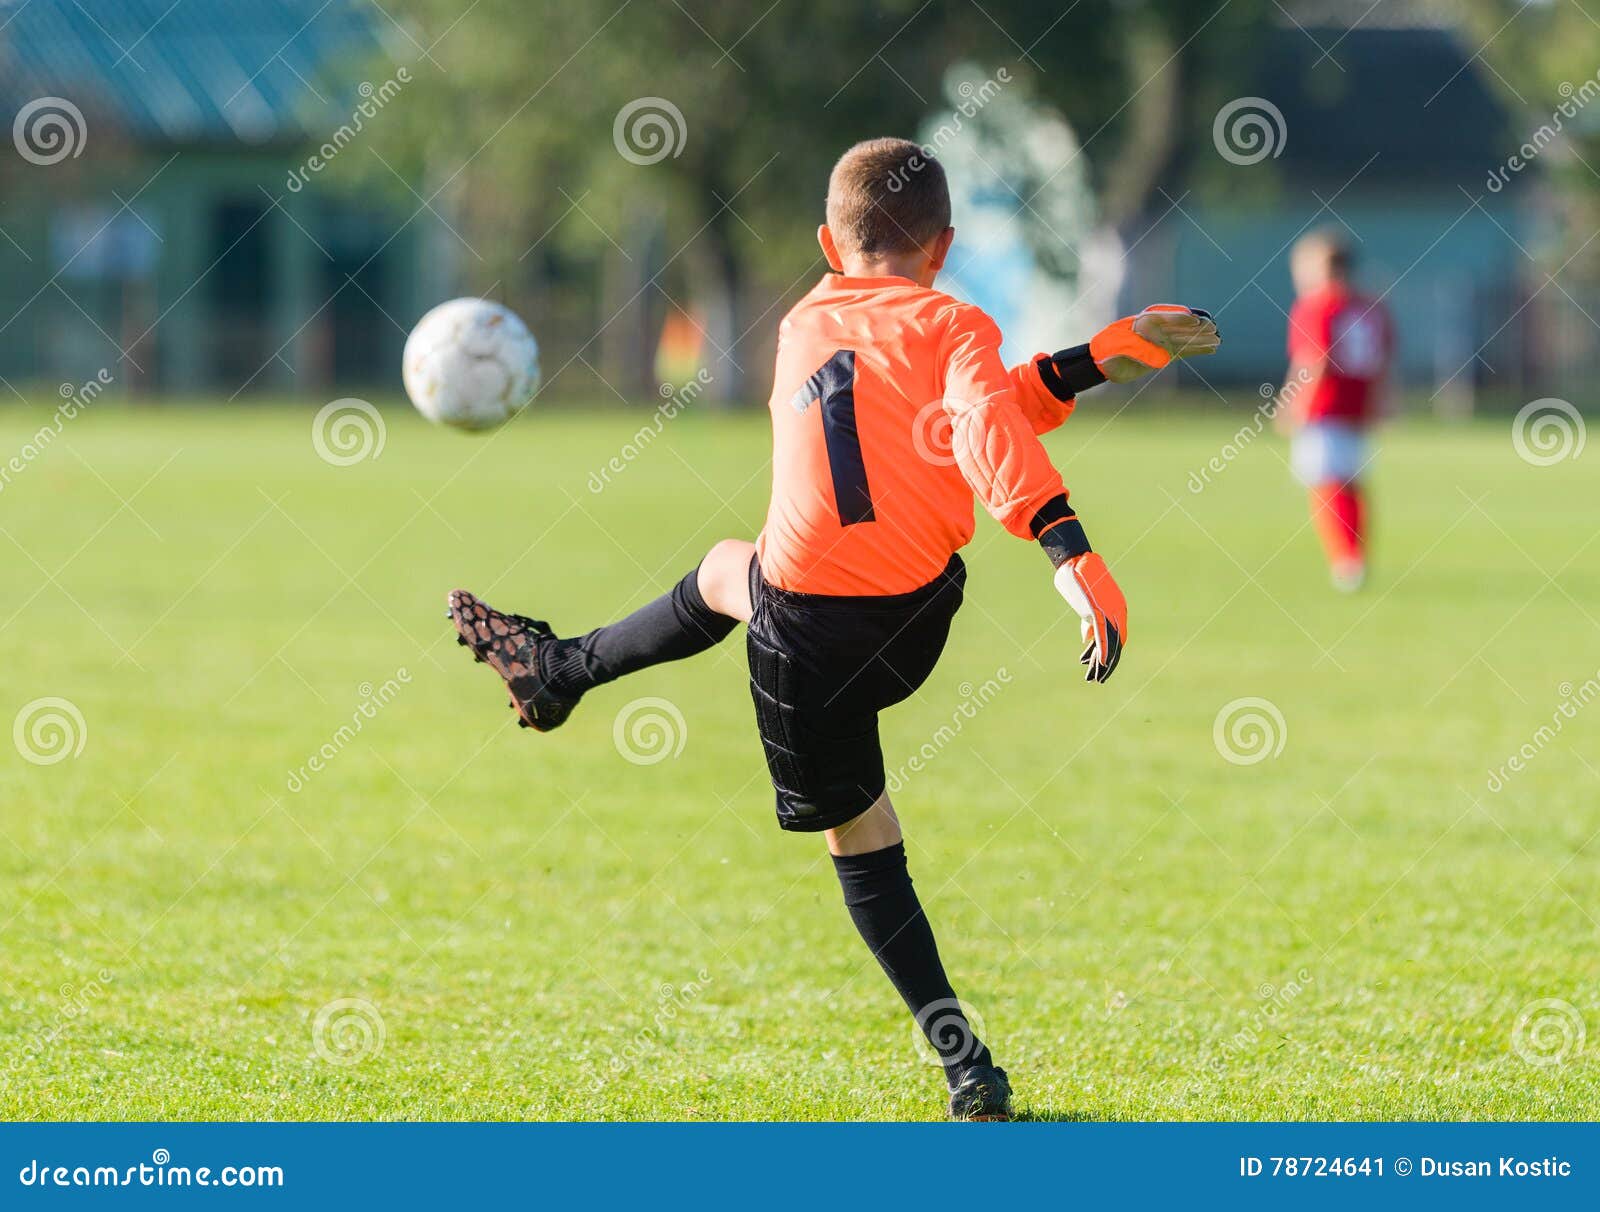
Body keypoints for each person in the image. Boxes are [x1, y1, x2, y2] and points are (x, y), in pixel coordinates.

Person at [447, 138, 1218, 1120]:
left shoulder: (803, 324)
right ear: (942, 248)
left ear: (825, 243)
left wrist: (1067, 524)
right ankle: (556, 673)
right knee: (731, 567)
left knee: (859, 829)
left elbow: (976, 415)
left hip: (804, 640)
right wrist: (1091, 394)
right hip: (919, 615)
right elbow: (979, 416)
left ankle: (965, 1065)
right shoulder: (954, 323)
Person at [1278, 228, 1394, 592]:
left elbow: (1314, 360)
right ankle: (1354, 555)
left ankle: (1346, 561)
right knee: (1350, 482)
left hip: (1324, 406)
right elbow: (1384, 360)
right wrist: (1382, 401)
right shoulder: (1371, 305)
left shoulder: (1316, 304)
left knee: (1326, 483)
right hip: (1358, 404)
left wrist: (1292, 402)